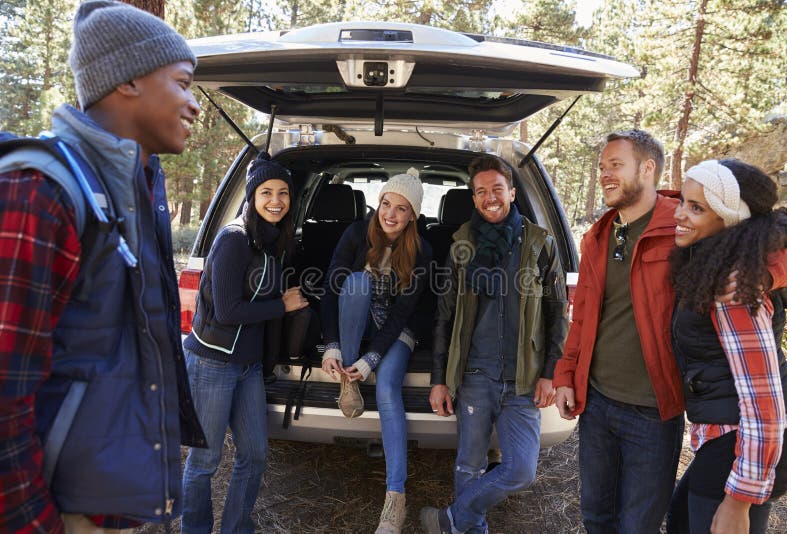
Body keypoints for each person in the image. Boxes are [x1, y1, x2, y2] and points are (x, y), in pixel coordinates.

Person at [0, 1, 206, 532]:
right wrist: (31, 523)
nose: (195, 105)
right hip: (55, 515)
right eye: (183, 84)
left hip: (109, 508)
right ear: (128, 82)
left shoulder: (134, 186)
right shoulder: (41, 191)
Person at [552, 130, 787, 533]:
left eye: (616, 164)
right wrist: (567, 374)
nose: (605, 174)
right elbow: (583, 317)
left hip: (653, 410)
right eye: (601, 166)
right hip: (597, 402)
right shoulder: (598, 236)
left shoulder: (687, 231)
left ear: (648, 168)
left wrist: (766, 274)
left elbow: (776, 244)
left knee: (641, 524)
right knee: (597, 515)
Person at [419, 155, 568, 534]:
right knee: (469, 465)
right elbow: (445, 316)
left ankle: (451, 518)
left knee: (521, 470)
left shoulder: (540, 243)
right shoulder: (461, 247)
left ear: (512, 193)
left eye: (497, 189)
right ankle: (470, 528)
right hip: (475, 376)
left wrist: (551, 372)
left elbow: (557, 314)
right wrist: (439, 379)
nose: (490, 198)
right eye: (481, 191)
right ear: (473, 199)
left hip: (523, 380)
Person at [665, 159, 787, 534]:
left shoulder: (734, 289)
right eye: (682, 201)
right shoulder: (716, 260)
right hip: (731, 439)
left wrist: (738, 501)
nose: (680, 214)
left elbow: (764, 403)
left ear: (728, 217)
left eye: (697, 207)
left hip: (747, 442)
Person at [181, 152, 309, 534]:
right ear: (252, 196)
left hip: (248, 367)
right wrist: (281, 305)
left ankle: (237, 528)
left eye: (283, 193)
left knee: (254, 455)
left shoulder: (273, 241)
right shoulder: (233, 239)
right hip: (212, 365)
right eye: (267, 192)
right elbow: (226, 311)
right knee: (204, 462)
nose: (276, 200)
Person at [319, 168, 432, 534]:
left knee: (386, 388)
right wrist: (333, 347)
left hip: (397, 330)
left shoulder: (422, 250)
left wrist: (372, 361)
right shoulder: (356, 233)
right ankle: (346, 381)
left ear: (413, 215)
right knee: (351, 283)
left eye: (401, 209)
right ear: (378, 203)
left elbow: (401, 314)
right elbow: (330, 292)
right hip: (357, 322)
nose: (390, 214)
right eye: (386, 204)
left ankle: (394, 500)